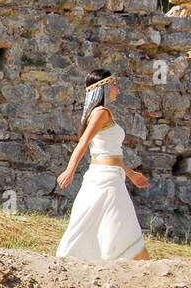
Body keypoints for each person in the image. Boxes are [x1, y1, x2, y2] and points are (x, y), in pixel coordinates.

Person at [55, 70, 150, 260]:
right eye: (113, 85)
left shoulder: (103, 114)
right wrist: (70, 170)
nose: (117, 90)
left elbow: (110, 153)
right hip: (105, 178)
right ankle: (134, 262)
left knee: (110, 220)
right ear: (103, 88)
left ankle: (116, 261)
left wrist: (131, 174)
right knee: (117, 219)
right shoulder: (101, 113)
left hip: (112, 175)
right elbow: (84, 142)